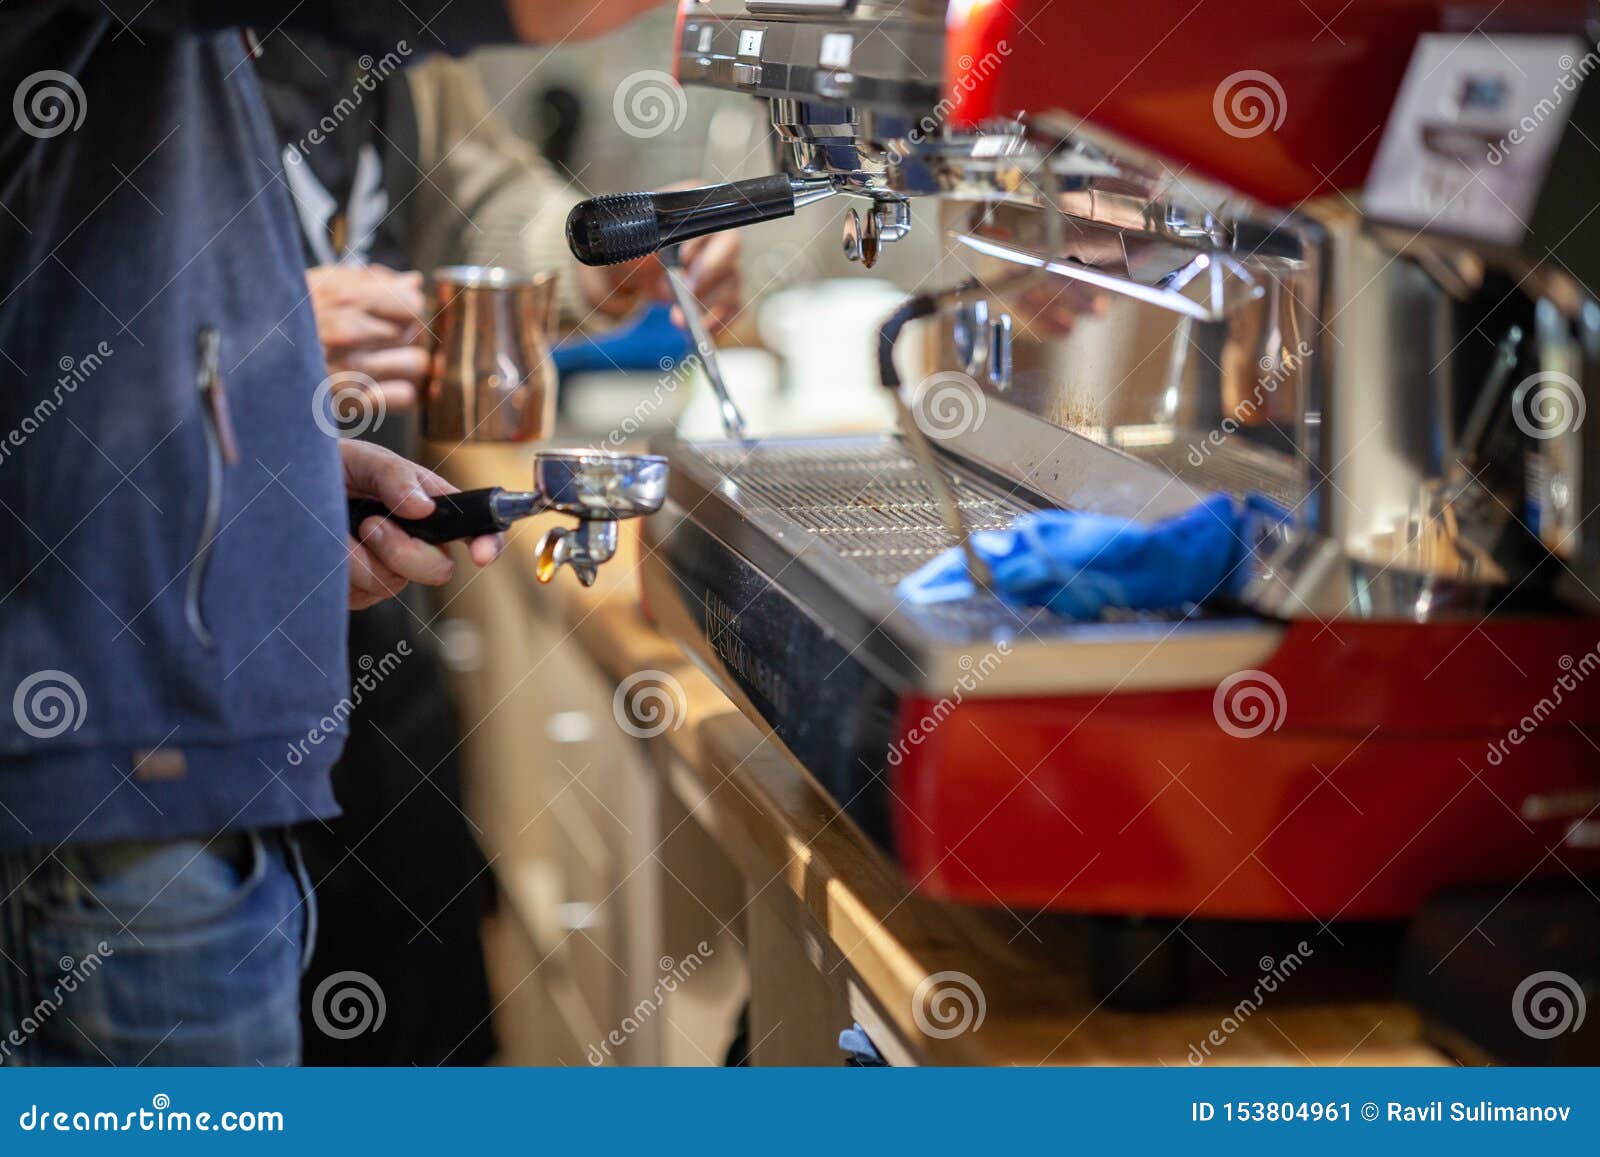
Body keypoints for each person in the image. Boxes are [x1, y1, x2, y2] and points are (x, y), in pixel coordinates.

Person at [0, 0, 663, 1066]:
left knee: (417, 1008)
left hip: (257, 646)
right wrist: (262, 343)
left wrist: (268, 461)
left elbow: (471, 189)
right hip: (112, 746)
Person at [250, 42, 741, 1064]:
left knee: (424, 1009)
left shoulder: (383, 42)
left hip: (362, 600)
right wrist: (247, 333)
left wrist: (610, 259)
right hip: (157, 678)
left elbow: (487, 204)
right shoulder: (123, 55)